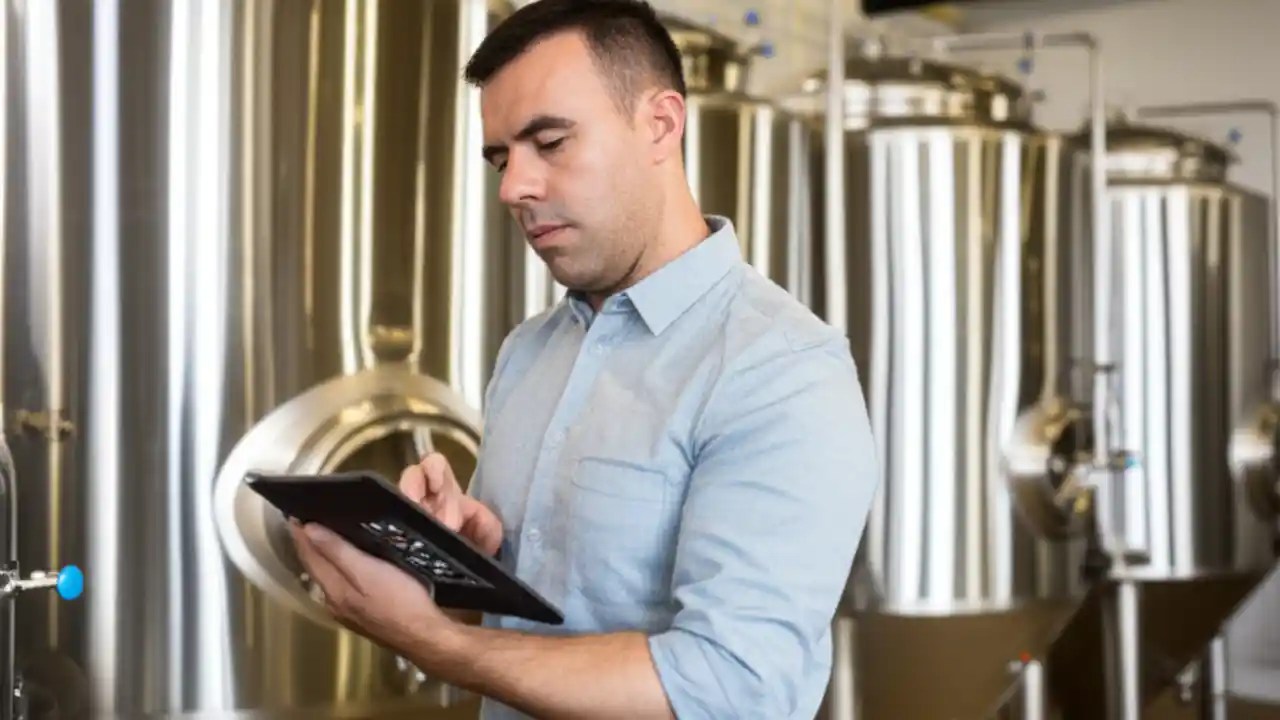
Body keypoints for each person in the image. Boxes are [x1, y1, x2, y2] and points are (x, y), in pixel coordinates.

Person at [289, 0, 879, 717]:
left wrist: (433, 641)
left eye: (551, 142)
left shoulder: (782, 371)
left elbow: (732, 688)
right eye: (502, 157)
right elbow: (530, 631)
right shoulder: (530, 350)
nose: (514, 187)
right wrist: (472, 563)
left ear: (660, 124)